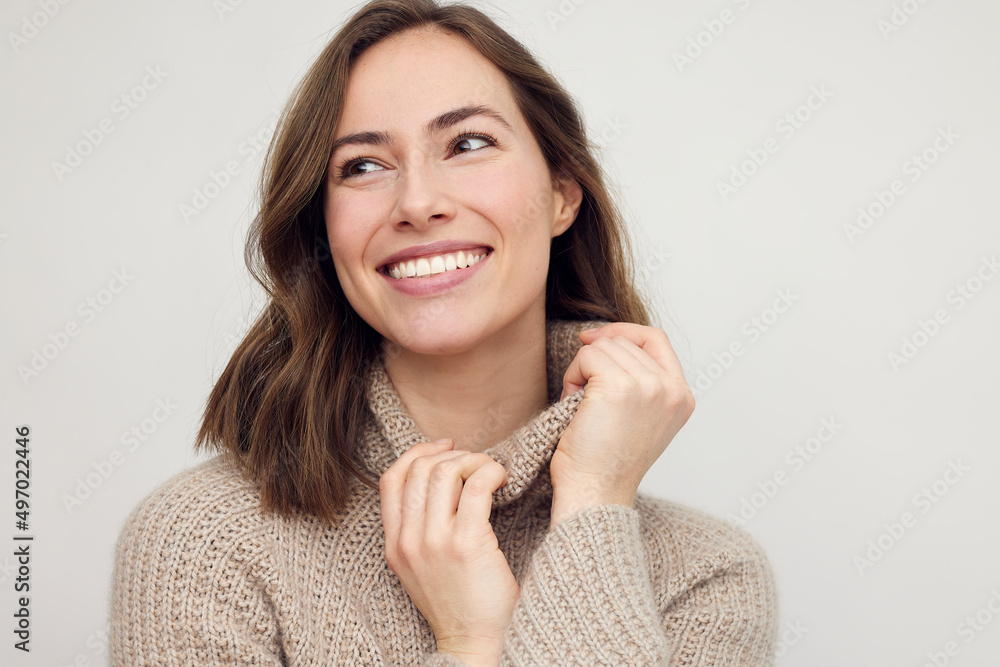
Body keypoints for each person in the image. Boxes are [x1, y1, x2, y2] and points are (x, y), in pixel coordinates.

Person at [109, 0, 779, 664]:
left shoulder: (706, 578)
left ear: (562, 194)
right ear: (323, 226)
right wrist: (469, 644)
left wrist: (594, 505)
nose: (417, 203)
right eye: (363, 165)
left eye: (468, 144)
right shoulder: (202, 544)